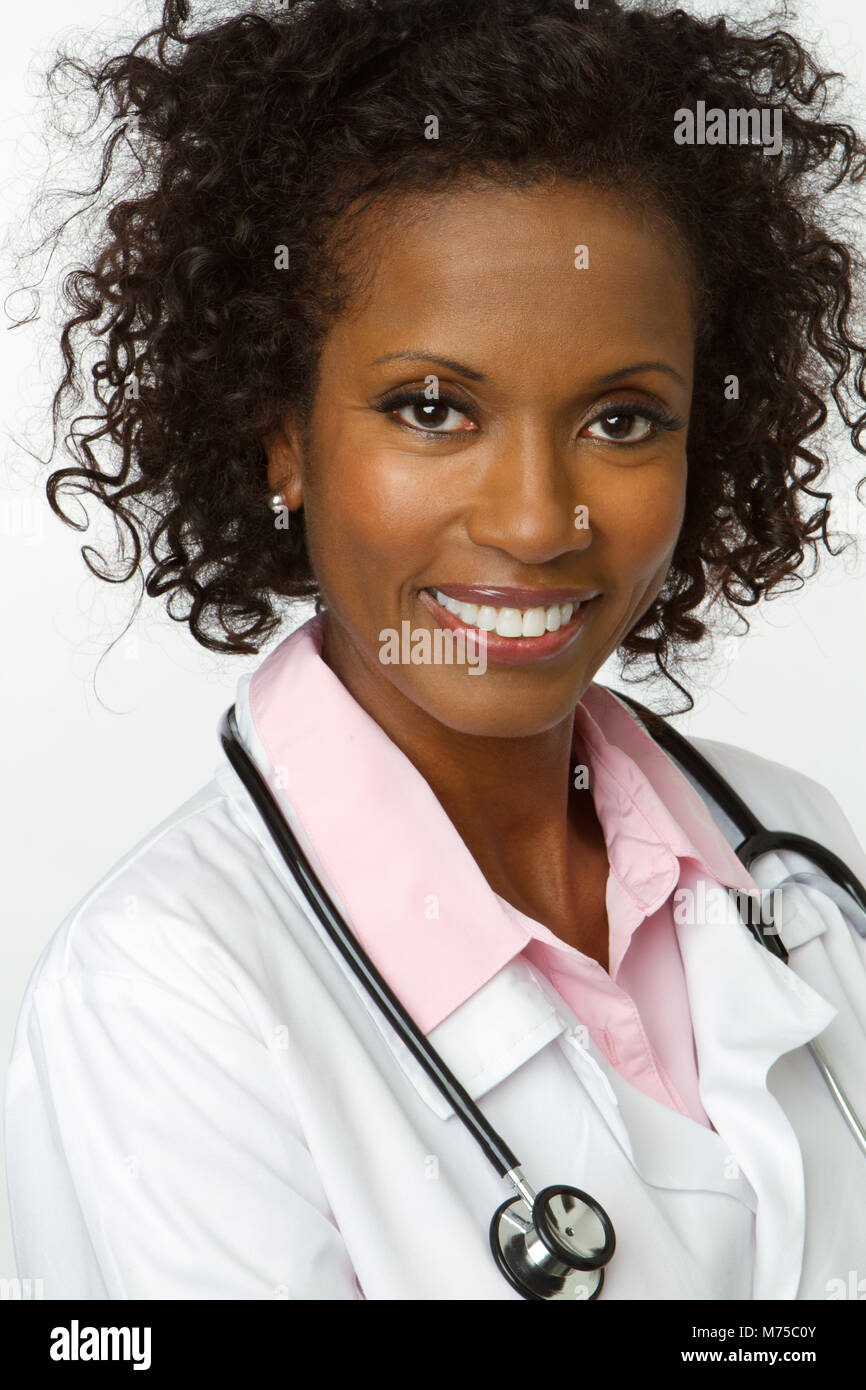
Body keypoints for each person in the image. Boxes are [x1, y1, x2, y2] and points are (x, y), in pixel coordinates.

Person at [5, 0, 866, 1299]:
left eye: (623, 420)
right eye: (431, 407)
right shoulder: (173, 992)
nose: (533, 517)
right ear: (280, 432)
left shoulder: (799, 860)